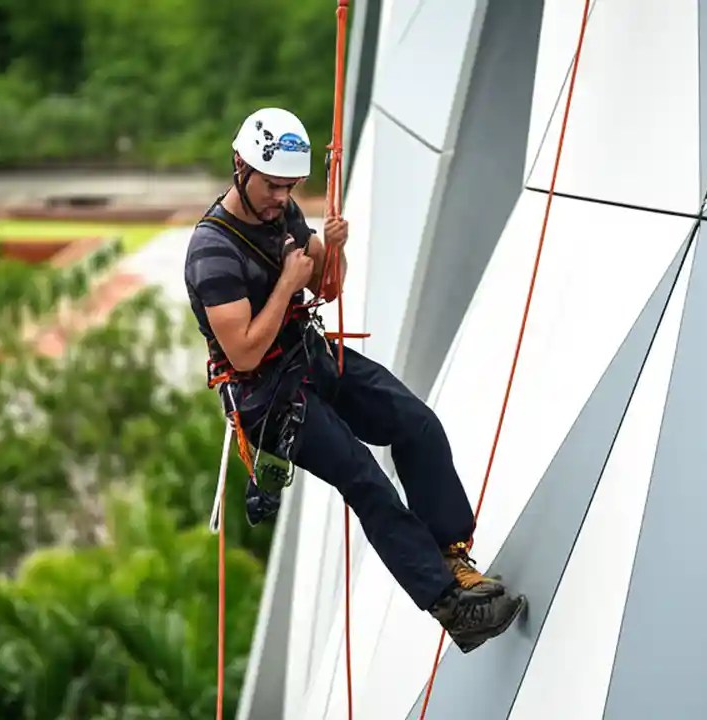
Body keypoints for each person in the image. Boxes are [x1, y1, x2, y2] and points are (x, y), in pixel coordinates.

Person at [183, 107, 525, 653]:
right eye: (272, 186)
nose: (281, 198)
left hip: (308, 357)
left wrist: (333, 249)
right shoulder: (212, 252)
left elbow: (327, 288)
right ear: (240, 168)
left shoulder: (284, 214)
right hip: (267, 397)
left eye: (290, 187)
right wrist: (287, 283)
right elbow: (244, 354)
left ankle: (451, 554)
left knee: (416, 424)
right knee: (365, 480)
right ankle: (451, 607)